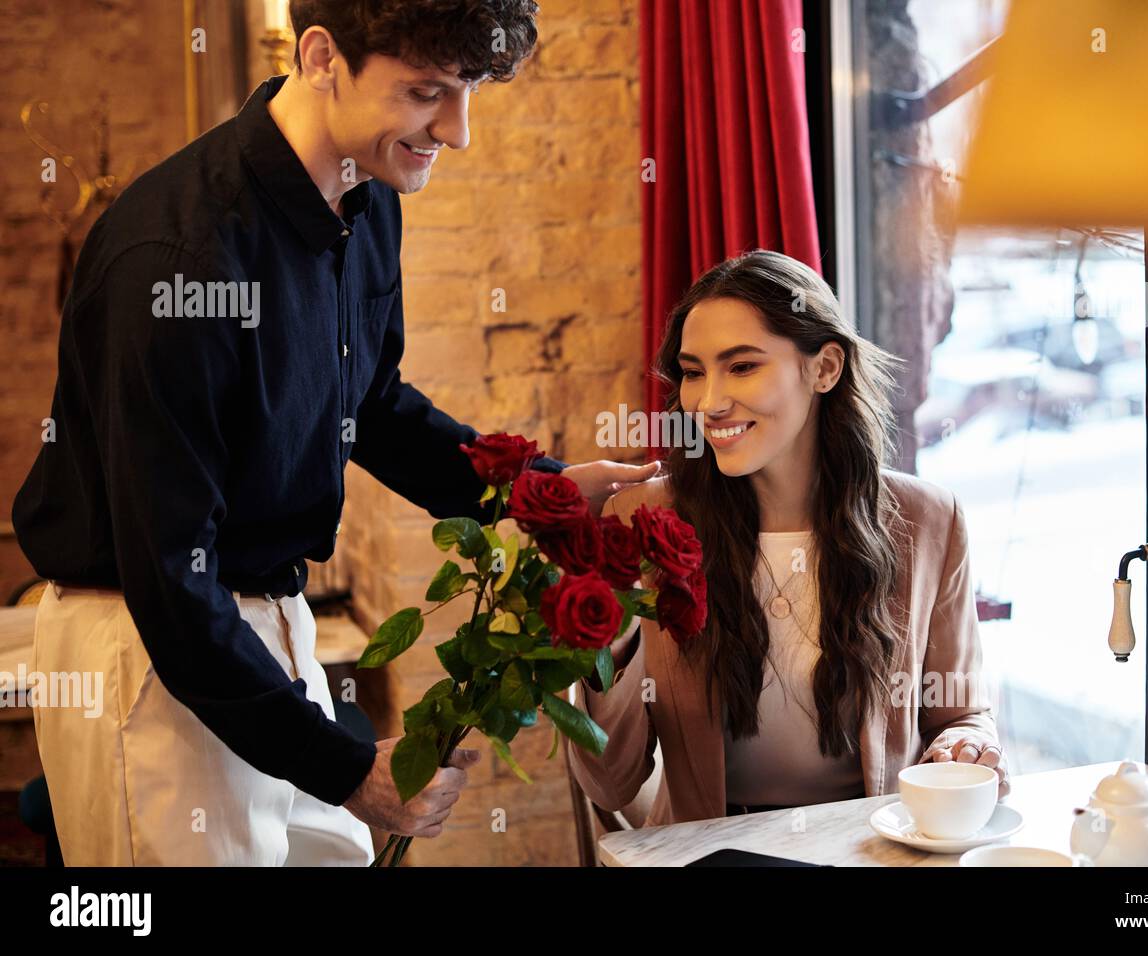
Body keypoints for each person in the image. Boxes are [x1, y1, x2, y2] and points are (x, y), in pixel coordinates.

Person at [13, 0, 657, 866]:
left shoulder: (366, 198)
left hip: (268, 627)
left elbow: (374, 405)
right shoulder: (177, 258)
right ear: (321, 56)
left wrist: (537, 491)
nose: (458, 131)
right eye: (427, 91)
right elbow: (170, 580)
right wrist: (345, 767)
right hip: (150, 652)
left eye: (466, 91)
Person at [567, 250, 1006, 826]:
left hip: (870, 848)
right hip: (711, 855)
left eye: (742, 366)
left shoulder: (928, 520)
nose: (708, 401)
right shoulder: (647, 522)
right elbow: (609, 780)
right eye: (694, 372)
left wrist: (967, 744)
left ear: (825, 368)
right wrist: (611, 608)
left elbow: (960, 714)